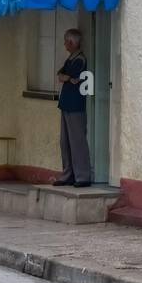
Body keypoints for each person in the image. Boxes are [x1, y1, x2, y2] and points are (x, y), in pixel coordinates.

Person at [52, 28, 92, 187]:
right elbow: (61, 75)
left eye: (66, 41)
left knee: (77, 141)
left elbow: (72, 78)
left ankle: (82, 176)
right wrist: (66, 78)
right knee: (65, 141)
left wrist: (66, 77)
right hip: (66, 104)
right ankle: (68, 173)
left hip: (76, 105)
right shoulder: (71, 58)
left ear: (72, 42)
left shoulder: (80, 59)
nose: (64, 44)